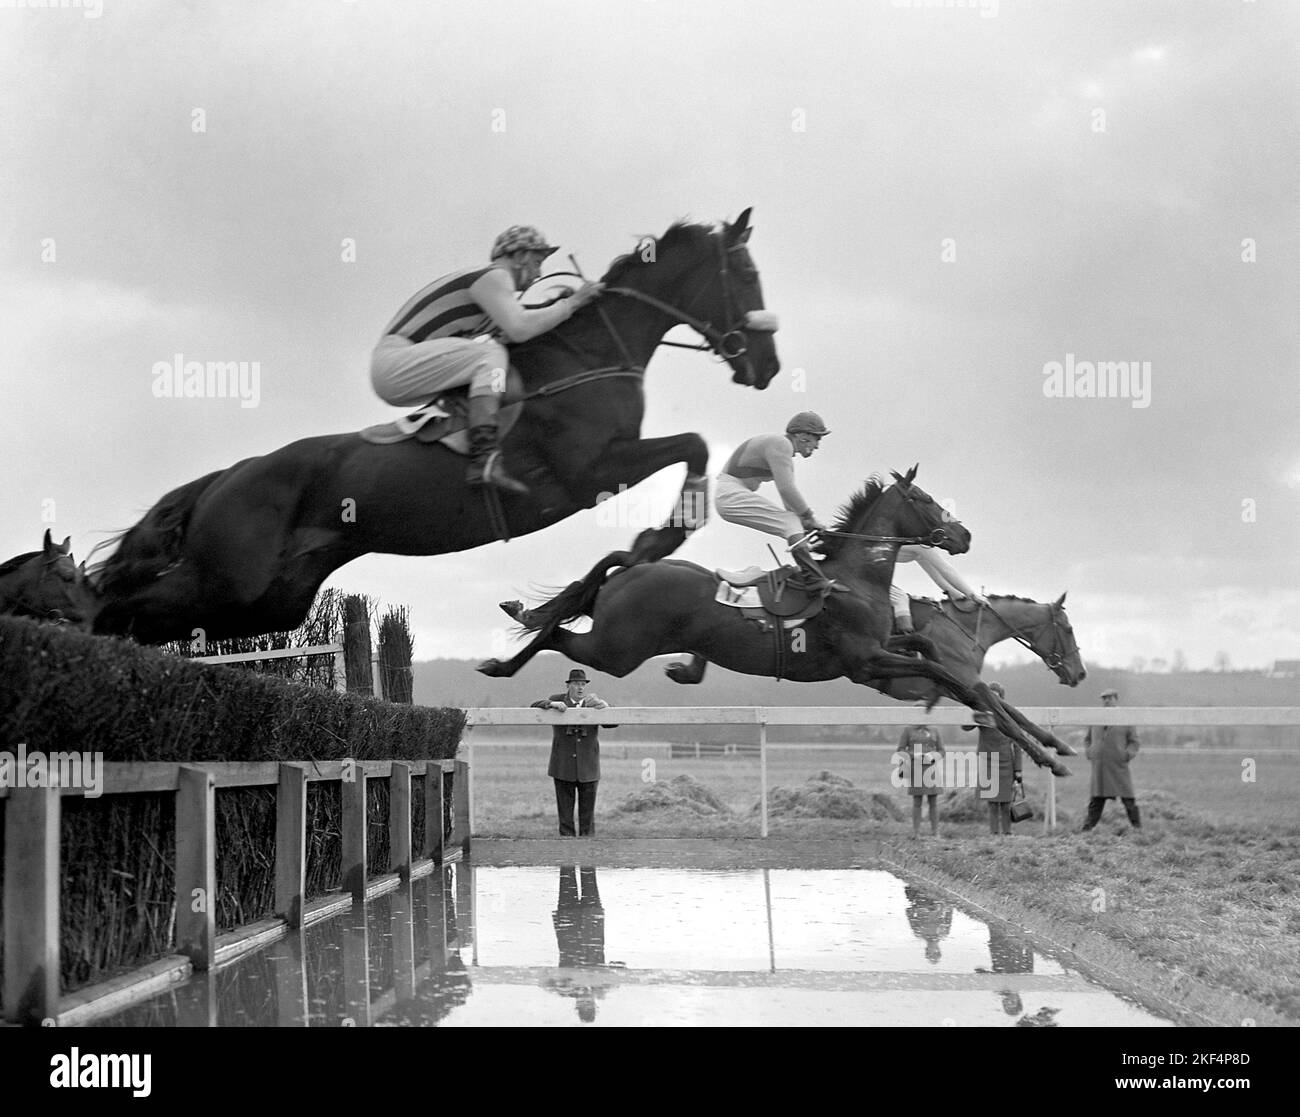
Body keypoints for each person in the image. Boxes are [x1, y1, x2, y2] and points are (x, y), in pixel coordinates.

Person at [371, 225, 604, 495]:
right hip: (395, 362)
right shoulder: (494, 277)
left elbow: (523, 331)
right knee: (491, 355)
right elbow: (519, 329)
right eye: (537, 262)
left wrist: (570, 308)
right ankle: (485, 455)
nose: (540, 273)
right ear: (518, 256)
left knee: (492, 358)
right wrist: (573, 303)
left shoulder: (493, 298)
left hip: (401, 370)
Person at [713, 411, 846, 595]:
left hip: (729, 494)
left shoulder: (782, 450)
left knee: (791, 521)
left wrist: (805, 524)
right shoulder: (781, 444)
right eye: (817, 439)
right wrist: (808, 517)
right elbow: (787, 489)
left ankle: (812, 574)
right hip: (729, 494)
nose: (817, 446)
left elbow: (788, 500)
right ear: (802, 435)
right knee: (790, 522)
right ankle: (813, 578)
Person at [532, 668, 618, 837]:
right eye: (576, 684)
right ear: (568, 685)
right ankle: (567, 852)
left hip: (588, 767)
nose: (580, 688)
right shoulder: (557, 700)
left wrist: (606, 707)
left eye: (582, 684)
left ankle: (587, 853)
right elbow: (534, 705)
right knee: (565, 816)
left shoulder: (593, 703)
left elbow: (613, 723)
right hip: (563, 766)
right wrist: (551, 705)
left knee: (588, 817)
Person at [964, 681, 1022, 836]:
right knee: (992, 802)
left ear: (1002, 698)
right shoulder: (983, 713)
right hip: (987, 761)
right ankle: (994, 833)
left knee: (1005, 802)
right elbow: (966, 726)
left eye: (997, 697)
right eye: (990, 696)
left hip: (1005, 762)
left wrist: (1018, 770)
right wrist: (975, 713)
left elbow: (1017, 744)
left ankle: (1007, 833)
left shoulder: (1009, 715)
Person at [1081, 688, 1141, 831]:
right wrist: (1090, 752)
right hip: (1100, 767)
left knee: (1128, 799)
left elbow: (1134, 742)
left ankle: (1138, 828)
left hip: (1118, 766)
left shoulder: (1125, 719)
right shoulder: (1096, 719)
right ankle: (1086, 830)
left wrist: (1126, 755)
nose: (1106, 701)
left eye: (1109, 698)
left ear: (1116, 699)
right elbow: (1087, 739)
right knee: (1096, 800)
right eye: (1104, 698)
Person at [890, 545, 988, 633]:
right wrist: (972, 595)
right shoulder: (924, 545)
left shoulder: (926, 546)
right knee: (900, 598)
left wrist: (963, 598)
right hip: (875, 572)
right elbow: (946, 570)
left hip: (878, 571)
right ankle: (904, 638)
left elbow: (940, 579)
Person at [897, 710, 945, 837]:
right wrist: (914, 755)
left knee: (933, 801)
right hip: (915, 769)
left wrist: (933, 755)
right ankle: (915, 832)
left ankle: (935, 832)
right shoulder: (908, 730)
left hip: (931, 769)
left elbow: (942, 751)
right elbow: (900, 750)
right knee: (917, 801)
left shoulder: (934, 730)